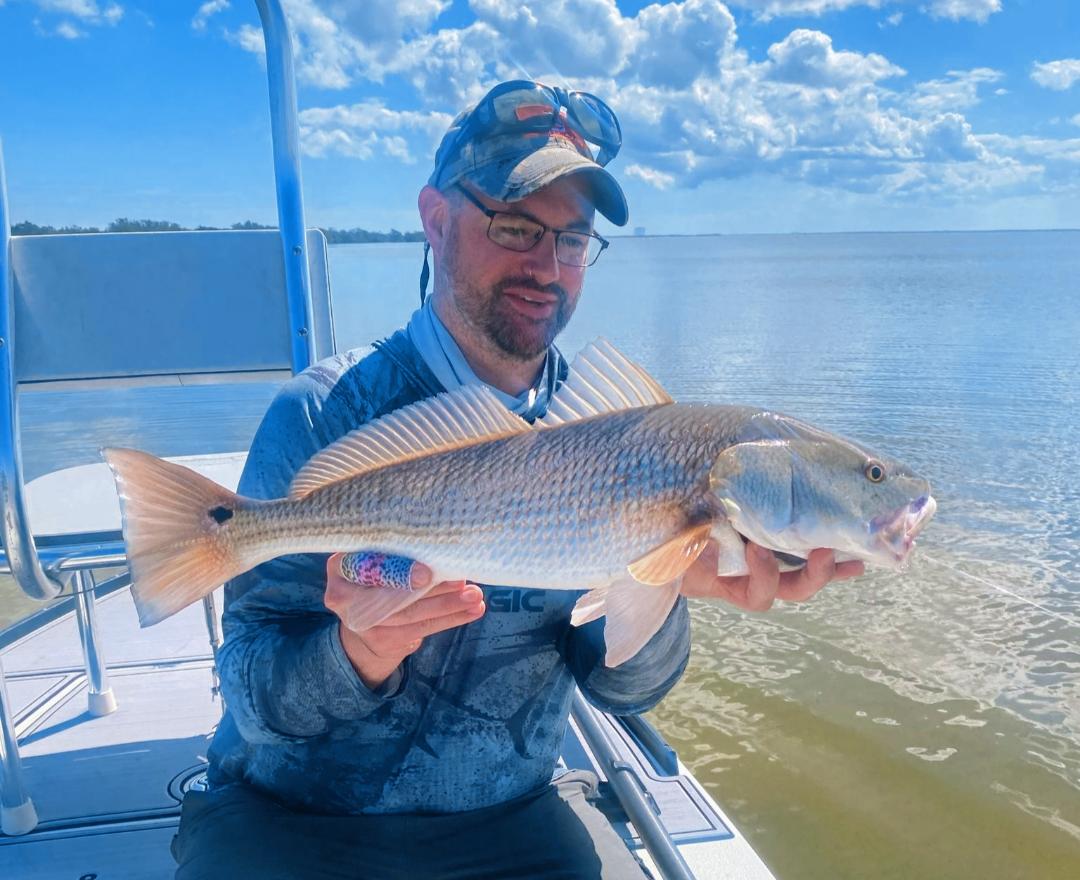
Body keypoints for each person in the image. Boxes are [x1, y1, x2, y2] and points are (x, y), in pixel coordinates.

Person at [171, 80, 864, 880]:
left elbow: (622, 689)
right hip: (289, 819)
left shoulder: (622, 435)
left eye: (573, 240)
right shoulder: (329, 412)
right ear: (435, 220)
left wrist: (670, 592)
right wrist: (352, 655)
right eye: (515, 225)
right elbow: (251, 694)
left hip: (510, 821)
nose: (547, 265)